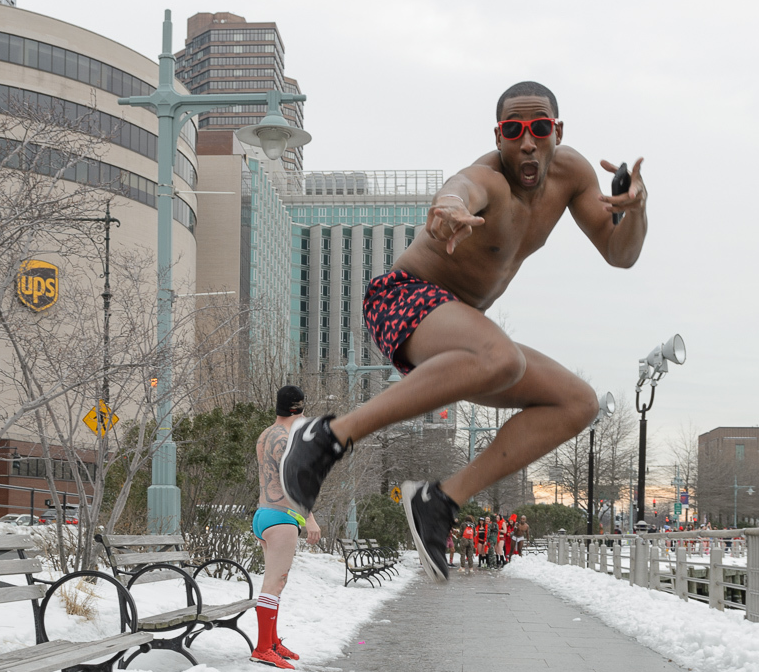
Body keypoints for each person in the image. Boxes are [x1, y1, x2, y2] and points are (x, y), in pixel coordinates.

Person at [277, 81, 647, 582]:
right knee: (502, 357)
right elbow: (461, 185)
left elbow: (620, 255)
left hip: (458, 323)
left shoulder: (574, 176)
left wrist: (634, 212)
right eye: (513, 132)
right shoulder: (488, 181)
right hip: (401, 297)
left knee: (577, 402)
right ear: (498, 137)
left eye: (539, 129)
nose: (527, 144)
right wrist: (448, 206)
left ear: (558, 131)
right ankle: (328, 437)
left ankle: (440, 501)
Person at [249, 386, 322, 670]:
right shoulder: (287, 439)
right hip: (281, 517)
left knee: (278, 581)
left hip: (264, 514)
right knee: (273, 582)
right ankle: (263, 648)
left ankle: (273, 641)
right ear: (299, 410)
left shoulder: (265, 435)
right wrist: (310, 519)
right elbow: (293, 482)